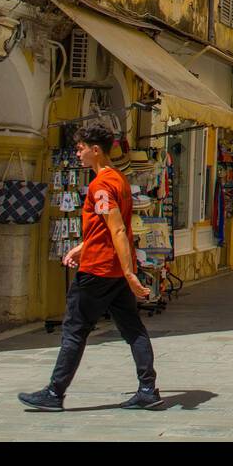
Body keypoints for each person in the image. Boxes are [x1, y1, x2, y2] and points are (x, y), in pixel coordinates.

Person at [19, 124, 161, 411]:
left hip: (98, 271)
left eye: (81, 148)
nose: (78, 153)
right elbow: (105, 228)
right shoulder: (118, 179)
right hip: (114, 270)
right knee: (132, 328)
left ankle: (55, 393)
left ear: (96, 150)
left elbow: (118, 229)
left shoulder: (100, 186)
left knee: (74, 329)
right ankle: (147, 389)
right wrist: (81, 247)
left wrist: (131, 274)